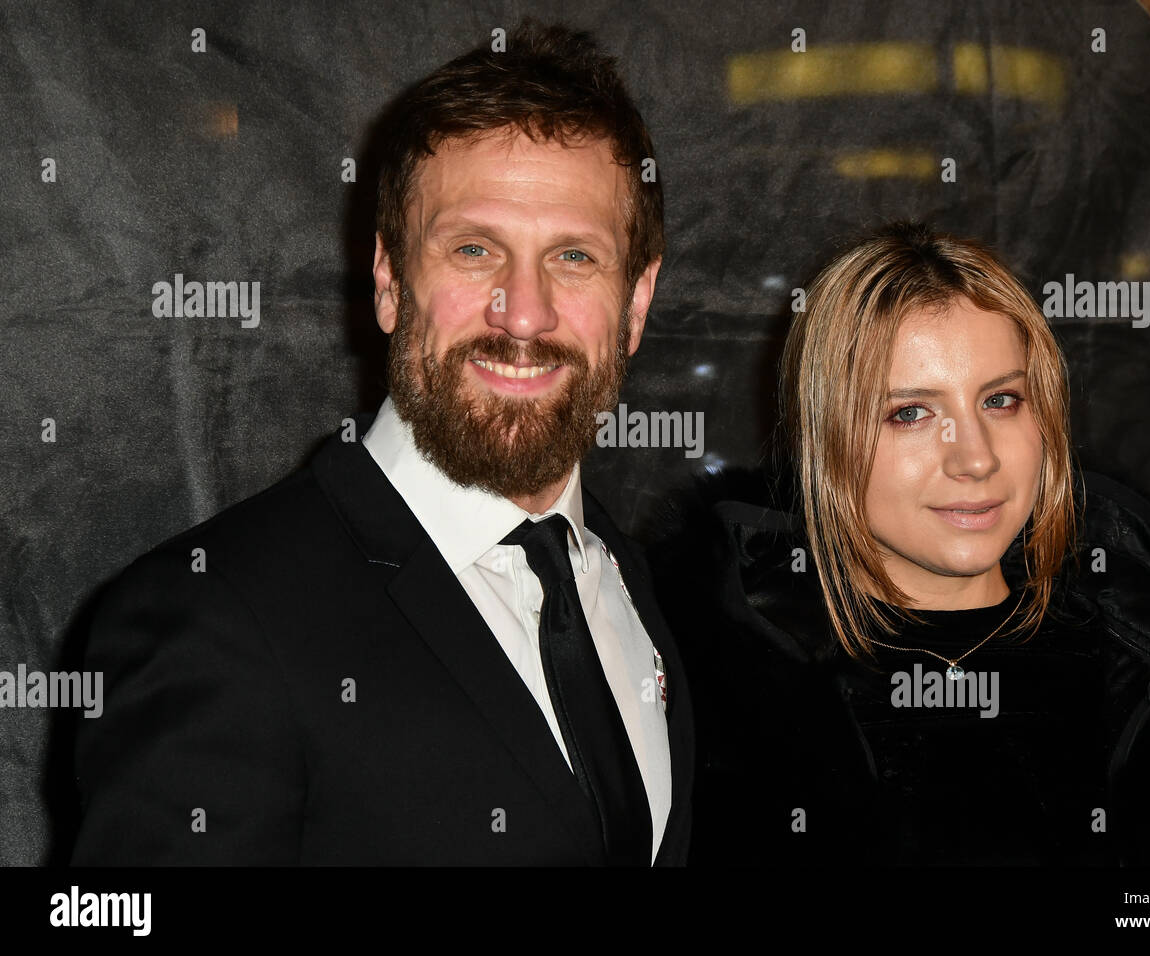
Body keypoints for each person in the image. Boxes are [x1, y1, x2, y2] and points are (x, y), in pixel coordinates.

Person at [71, 20, 692, 866]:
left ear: (637, 301)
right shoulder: (212, 619)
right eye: (475, 250)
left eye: (574, 257)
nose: (524, 312)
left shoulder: (631, 583)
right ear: (391, 281)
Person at [654, 220, 1150, 865]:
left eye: (1001, 400)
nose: (976, 458)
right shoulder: (703, 682)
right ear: (824, 441)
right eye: (910, 412)